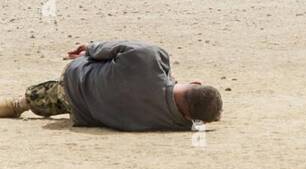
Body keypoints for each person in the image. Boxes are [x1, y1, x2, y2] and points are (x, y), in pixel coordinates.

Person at [0, 40, 222, 130]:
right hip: (83, 115)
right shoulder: (173, 124)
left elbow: (106, 48)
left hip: (76, 81)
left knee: (58, 90)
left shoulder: (151, 58)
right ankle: (23, 104)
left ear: (195, 83)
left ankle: (19, 104)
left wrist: (88, 50)